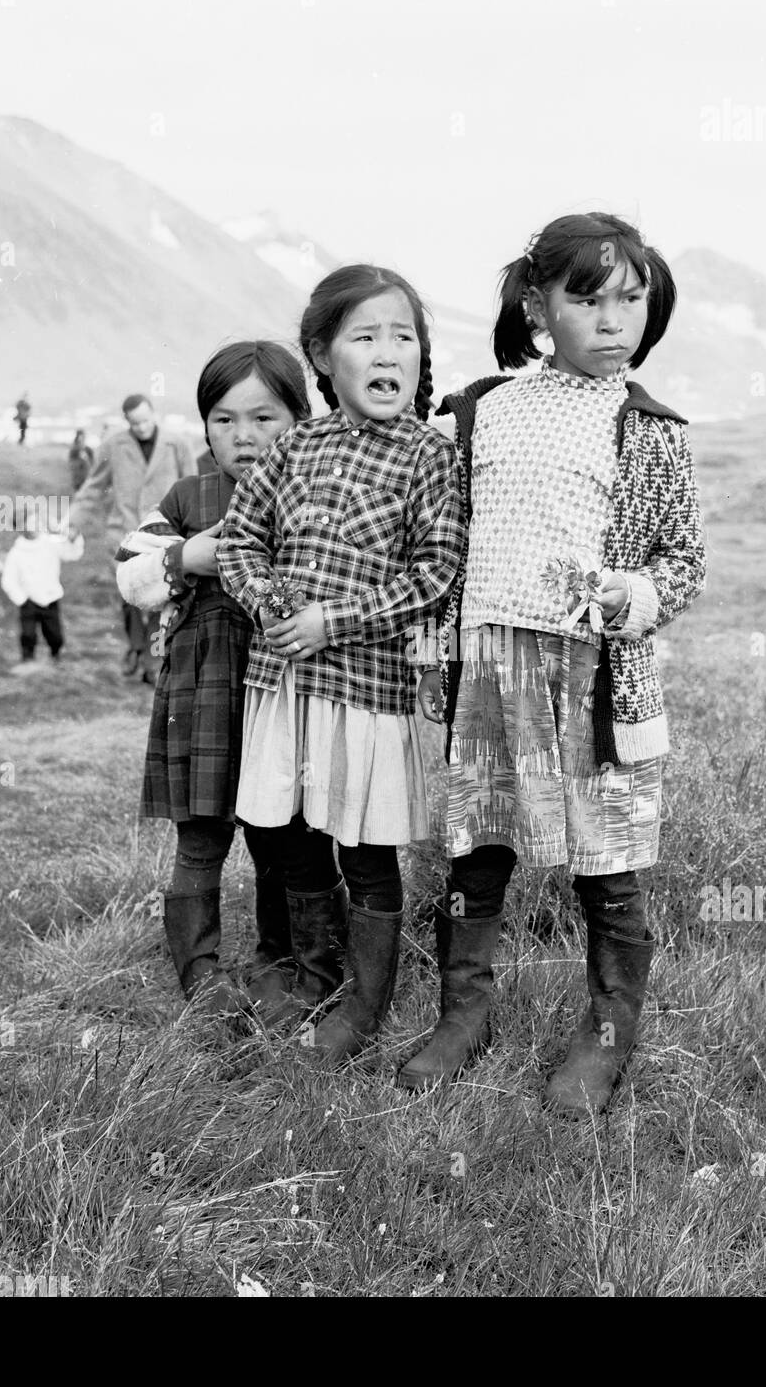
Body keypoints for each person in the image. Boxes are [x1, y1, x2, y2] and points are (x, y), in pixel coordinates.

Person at [403, 212, 707, 1114]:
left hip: (591, 682)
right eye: (589, 299)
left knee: (605, 862)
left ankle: (606, 1034)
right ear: (538, 305)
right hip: (491, 668)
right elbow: (447, 549)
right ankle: (466, 1011)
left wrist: (632, 595)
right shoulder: (479, 411)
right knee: (477, 850)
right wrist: (436, 645)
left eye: (632, 298)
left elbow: (682, 562)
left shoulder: (649, 431)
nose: (615, 320)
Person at [217, 266, 464, 1059]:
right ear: (323, 357)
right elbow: (239, 540)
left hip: (365, 691)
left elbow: (436, 575)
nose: (390, 352)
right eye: (367, 337)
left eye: (404, 337)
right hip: (287, 685)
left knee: (364, 850)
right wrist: (266, 602)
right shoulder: (294, 445)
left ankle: (363, 1004)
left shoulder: (428, 458)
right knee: (291, 835)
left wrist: (336, 619)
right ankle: (314, 975)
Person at [115, 342, 311, 1022]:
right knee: (201, 837)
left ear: (300, 416)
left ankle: (281, 959)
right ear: (204, 427)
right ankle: (199, 967)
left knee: (280, 834)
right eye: (224, 420)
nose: (244, 436)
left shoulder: (315, 497)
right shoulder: (188, 496)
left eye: (264, 418)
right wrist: (184, 556)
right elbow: (131, 577)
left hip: (283, 692)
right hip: (203, 692)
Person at [70, 394, 197, 681]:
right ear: (127, 422)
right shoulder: (113, 445)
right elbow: (93, 487)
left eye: (145, 420)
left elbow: (191, 488)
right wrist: (74, 521)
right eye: (134, 423)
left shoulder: (177, 444)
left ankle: (152, 661)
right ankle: (136, 648)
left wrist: (192, 529)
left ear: (154, 414)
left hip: (164, 535)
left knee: (158, 596)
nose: (141, 427)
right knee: (128, 596)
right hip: (124, 535)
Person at [0, 505, 84, 671]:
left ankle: (56, 655)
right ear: (21, 528)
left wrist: (74, 539)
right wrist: (22, 599)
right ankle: (27, 660)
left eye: (35, 520)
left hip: (50, 599)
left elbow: (71, 553)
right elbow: (8, 581)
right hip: (29, 602)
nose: (35, 525)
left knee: (55, 635)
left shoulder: (50, 544)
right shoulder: (17, 553)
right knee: (28, 634)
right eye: (29, 522)